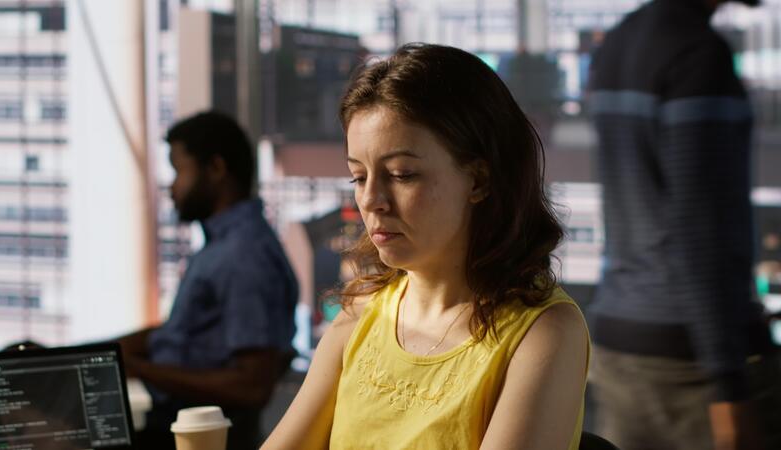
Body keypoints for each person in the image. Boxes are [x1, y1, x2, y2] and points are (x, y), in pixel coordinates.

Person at [262, 43, 589, 449]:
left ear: (478, 180)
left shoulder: (542, 333)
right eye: (358, 177)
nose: (371, 200)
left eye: (402, 174)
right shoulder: (360, 314)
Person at [588, 0, 781, 449]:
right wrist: (729, 383)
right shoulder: (698, 56)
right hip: (691, 364)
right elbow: (701, 228)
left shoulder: (619, 42)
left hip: (621, 345)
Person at [117, 111, 299, 450]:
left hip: (195, 436)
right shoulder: (225, 246)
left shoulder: (243, 255)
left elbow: (251, 385)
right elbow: (184, 335)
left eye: (178, 169)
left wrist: (137, 368)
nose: (172, 186)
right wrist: (99, 357)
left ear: (215, 169)